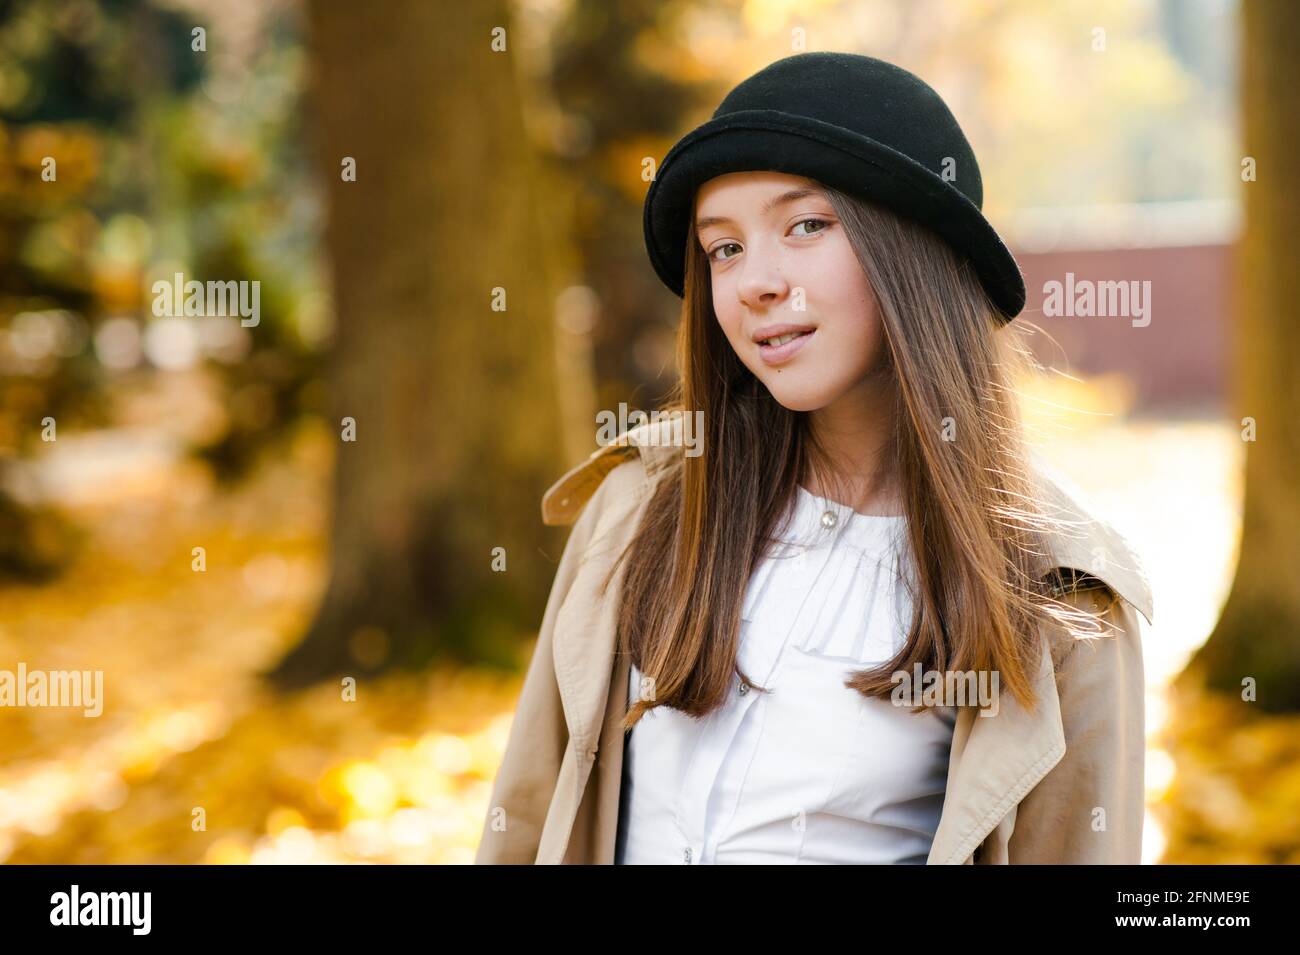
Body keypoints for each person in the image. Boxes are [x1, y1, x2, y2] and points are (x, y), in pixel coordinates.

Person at [475, 51, 1153, 865]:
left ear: (914, 252)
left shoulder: (1058, 589)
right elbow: (525, 809)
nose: (755, 281)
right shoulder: (637, 504)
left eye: (805, 226)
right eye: (722, 248)